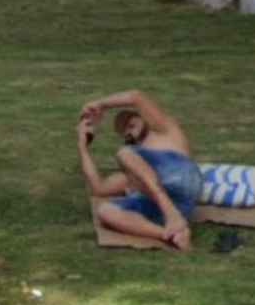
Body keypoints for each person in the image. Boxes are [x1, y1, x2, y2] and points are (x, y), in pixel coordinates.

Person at [76, 89, 201, 251]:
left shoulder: (163, 130)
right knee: (105, 211)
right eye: (125, 131)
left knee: (124, 153)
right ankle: (172, 235)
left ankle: (172, 215)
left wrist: (100, 104)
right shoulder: (137, 169)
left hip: (182, 176)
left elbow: (136, 96)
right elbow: (99, 188)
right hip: (178, 204)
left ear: (144, 118)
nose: (128, 129)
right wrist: (82, 146)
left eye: (131, 121)